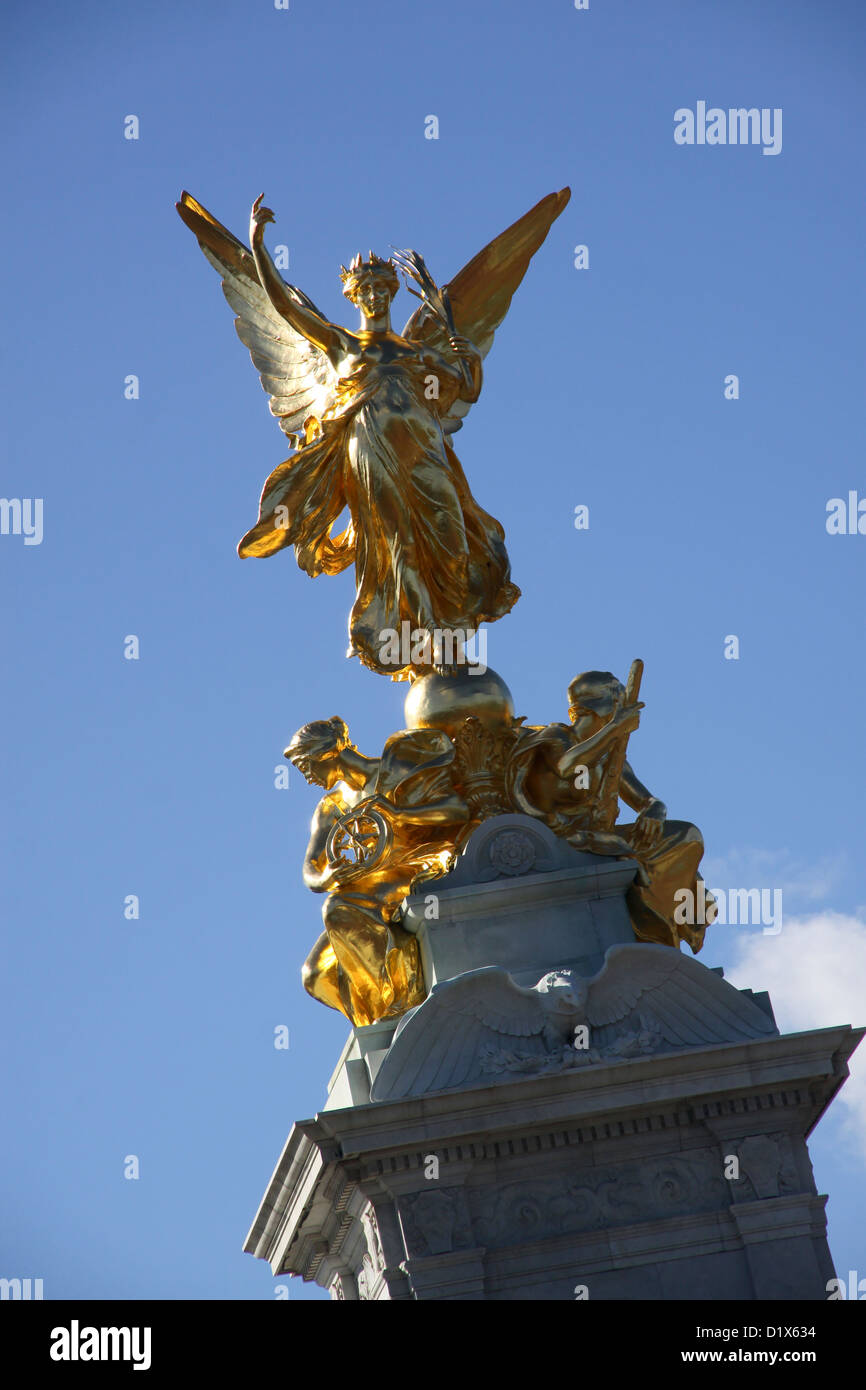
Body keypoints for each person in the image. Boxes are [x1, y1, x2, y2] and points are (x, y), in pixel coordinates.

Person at [240, 197, 519, 677]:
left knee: (453, 542)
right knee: (397, 546)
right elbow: (284, 305)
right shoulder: (341, 345)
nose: (373, 294)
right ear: (353, 296)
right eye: (363, 288)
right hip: (370, 452)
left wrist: (468, 358)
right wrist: (257, 246)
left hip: (427, 453)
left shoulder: (417, 352)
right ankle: (434, 645)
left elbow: (465, 391)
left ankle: (449, 627)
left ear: (392, 292)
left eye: (381, 286)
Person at [508, 671, 713, 952]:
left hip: (601, 839)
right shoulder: (555, 737)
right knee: (629, 855)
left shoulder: (611, 754)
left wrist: (656, 812)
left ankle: (653, 927)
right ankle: (648, 926)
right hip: (557, 840)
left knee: (687, 836)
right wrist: (615, 729)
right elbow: (569, 767)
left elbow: (648, 800)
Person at [286, 716, 470, 1025]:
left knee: (338, 907)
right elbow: (310, 868)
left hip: (416, 864)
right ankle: (381, 1017)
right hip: (369, 883)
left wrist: (399, 813)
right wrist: (326, 878)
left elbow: (456, 810)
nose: (307, 778)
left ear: (325, 754)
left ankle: (403, 1004)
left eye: (306, 767)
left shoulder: (397, 767)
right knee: (316, 975)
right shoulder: (331, 807)